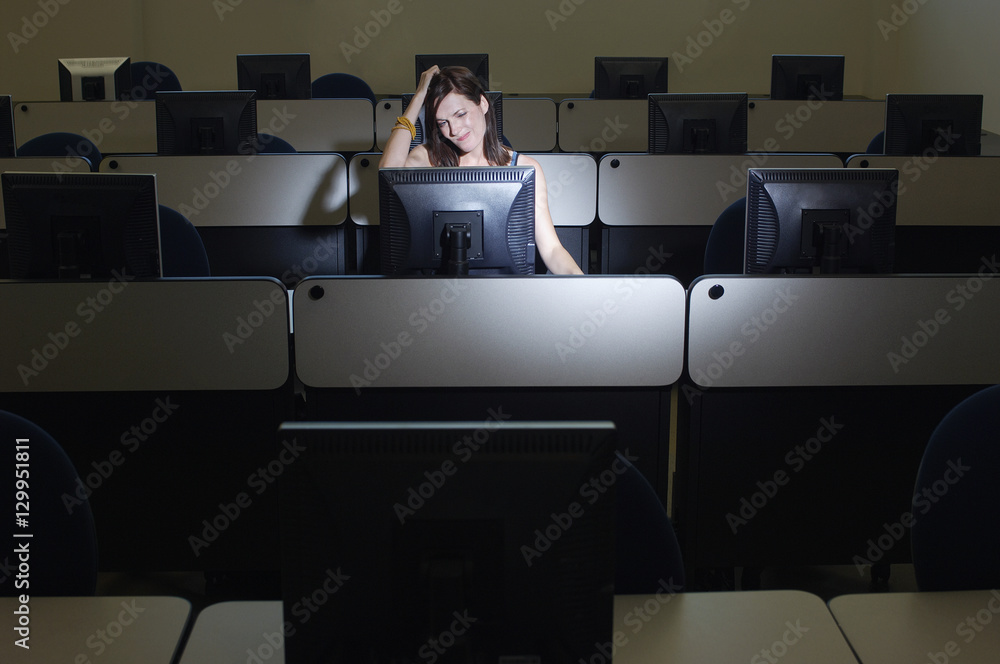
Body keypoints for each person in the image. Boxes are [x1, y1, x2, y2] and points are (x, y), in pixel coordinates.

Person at [379, 65, 584, 275]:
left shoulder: (524, 169)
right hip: (437, 292)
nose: (454, 130)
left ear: (483, 103)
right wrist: (419, 97)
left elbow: (551, 250)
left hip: (503, 296)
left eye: (460, 114)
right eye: (443, 122)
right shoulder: (429, 158)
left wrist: (585, 289)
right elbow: (388, 174)